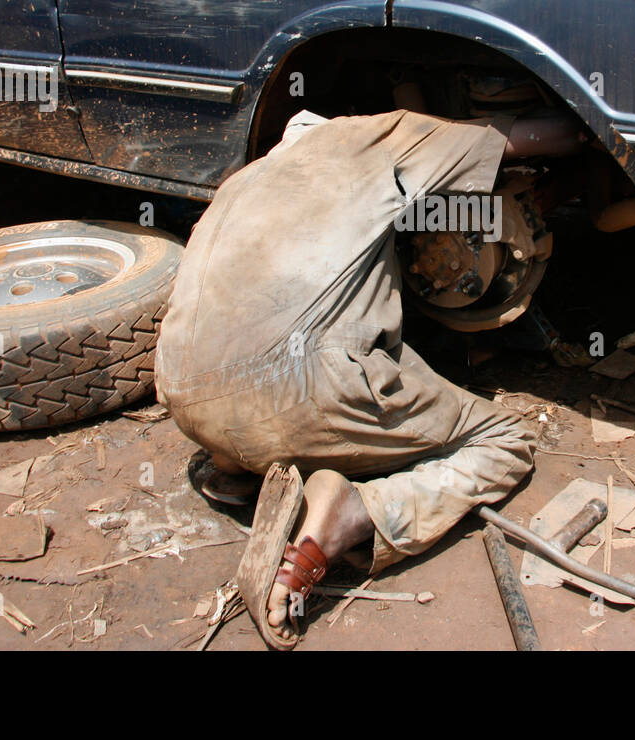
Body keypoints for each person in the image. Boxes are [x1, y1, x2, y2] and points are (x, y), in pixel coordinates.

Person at [156, 99, 583, 646]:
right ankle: (356, 514)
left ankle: (235, 467)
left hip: (180, 391)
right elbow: (528, 138)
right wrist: (592, 137)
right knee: (505, 441)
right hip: (305, 388)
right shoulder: (376, 138)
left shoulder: (248, 177)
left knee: (256, 366)